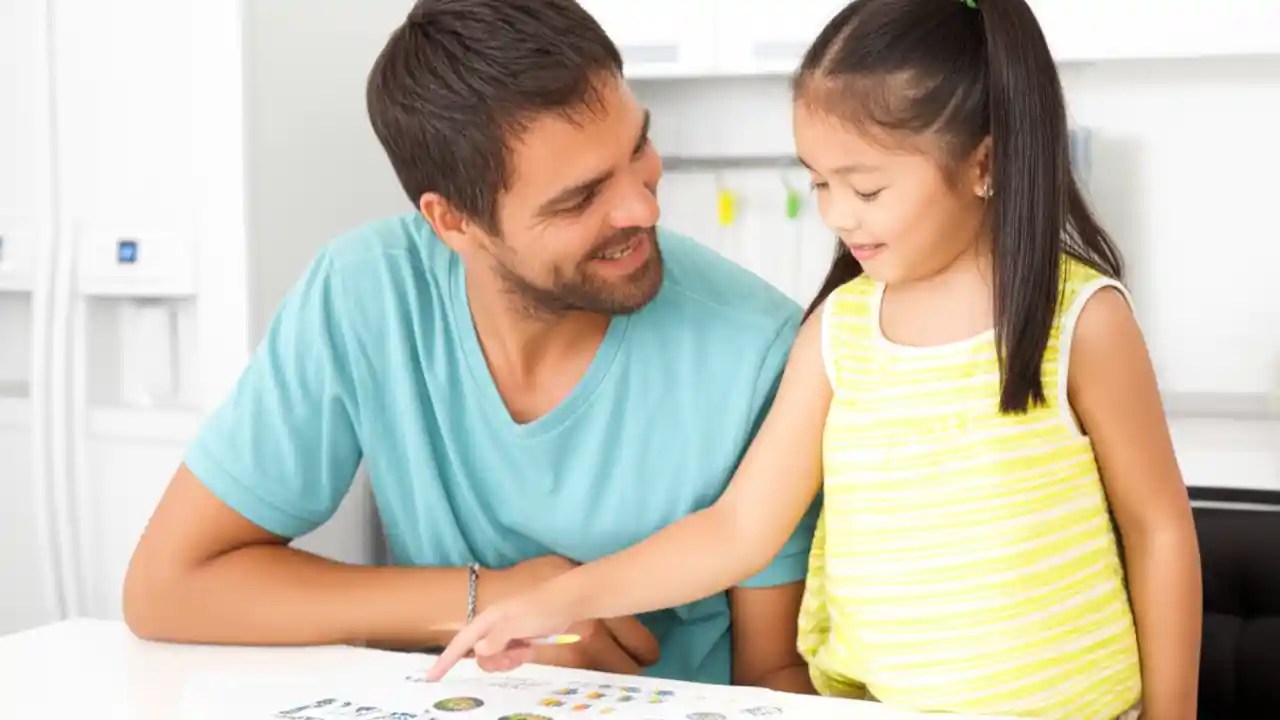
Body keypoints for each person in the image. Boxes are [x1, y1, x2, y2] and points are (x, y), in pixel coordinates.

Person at [428, 0, 1204, 717]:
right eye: (819, 184)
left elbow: (1159, 529)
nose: (837, 215)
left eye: (865, 189)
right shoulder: (839, 333)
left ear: (983, 164)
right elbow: (737, 531)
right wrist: (562, 599)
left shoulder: (1081, 321)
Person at [121, 0, 818, 691]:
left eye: (638, 147)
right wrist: (494, 601)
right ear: (451, 221)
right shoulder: (365, 295)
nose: (643, 207)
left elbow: (776, 682)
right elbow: (168, 586)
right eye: (579, 199)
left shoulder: (761, 349)